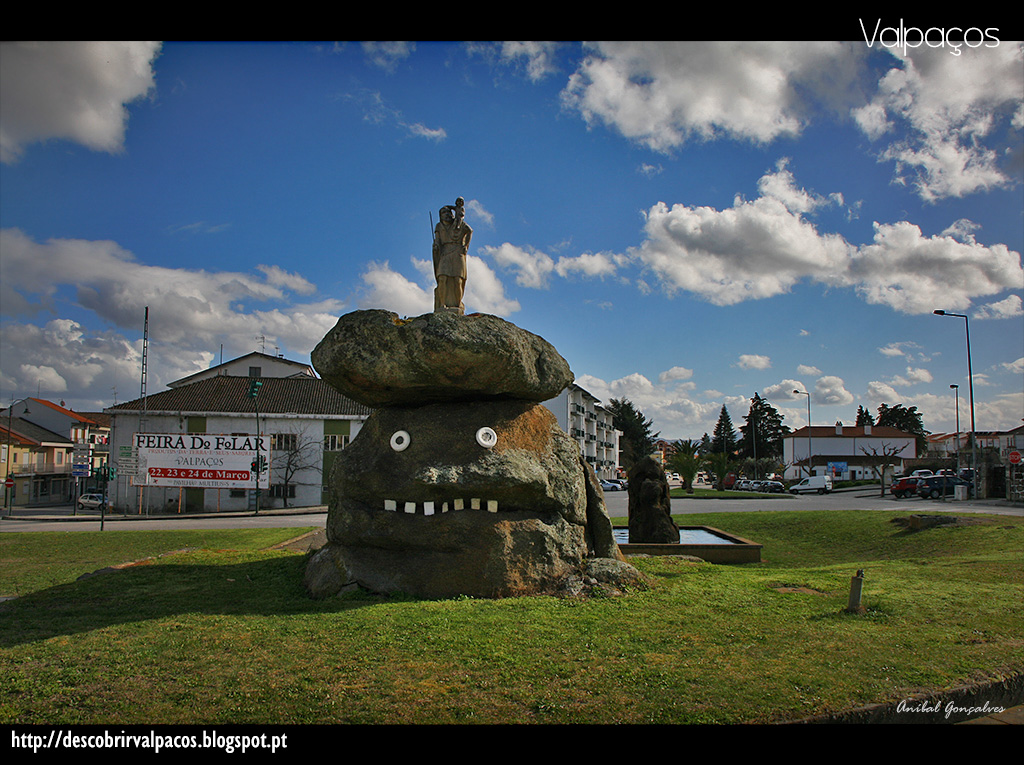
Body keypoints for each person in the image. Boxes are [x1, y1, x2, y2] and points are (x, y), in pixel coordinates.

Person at [432, 197, 472, 313]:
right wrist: (436, 246)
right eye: (443, 213)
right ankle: (442, 304)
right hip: (445, 253)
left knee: (457, 280)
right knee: (442, 278)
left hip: (457, 252)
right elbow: (437, 240)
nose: (446, 215)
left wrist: (466, 246)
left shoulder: (458, 224)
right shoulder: (439, 226)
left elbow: (469, 231)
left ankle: (457, 303)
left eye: (448, 213)